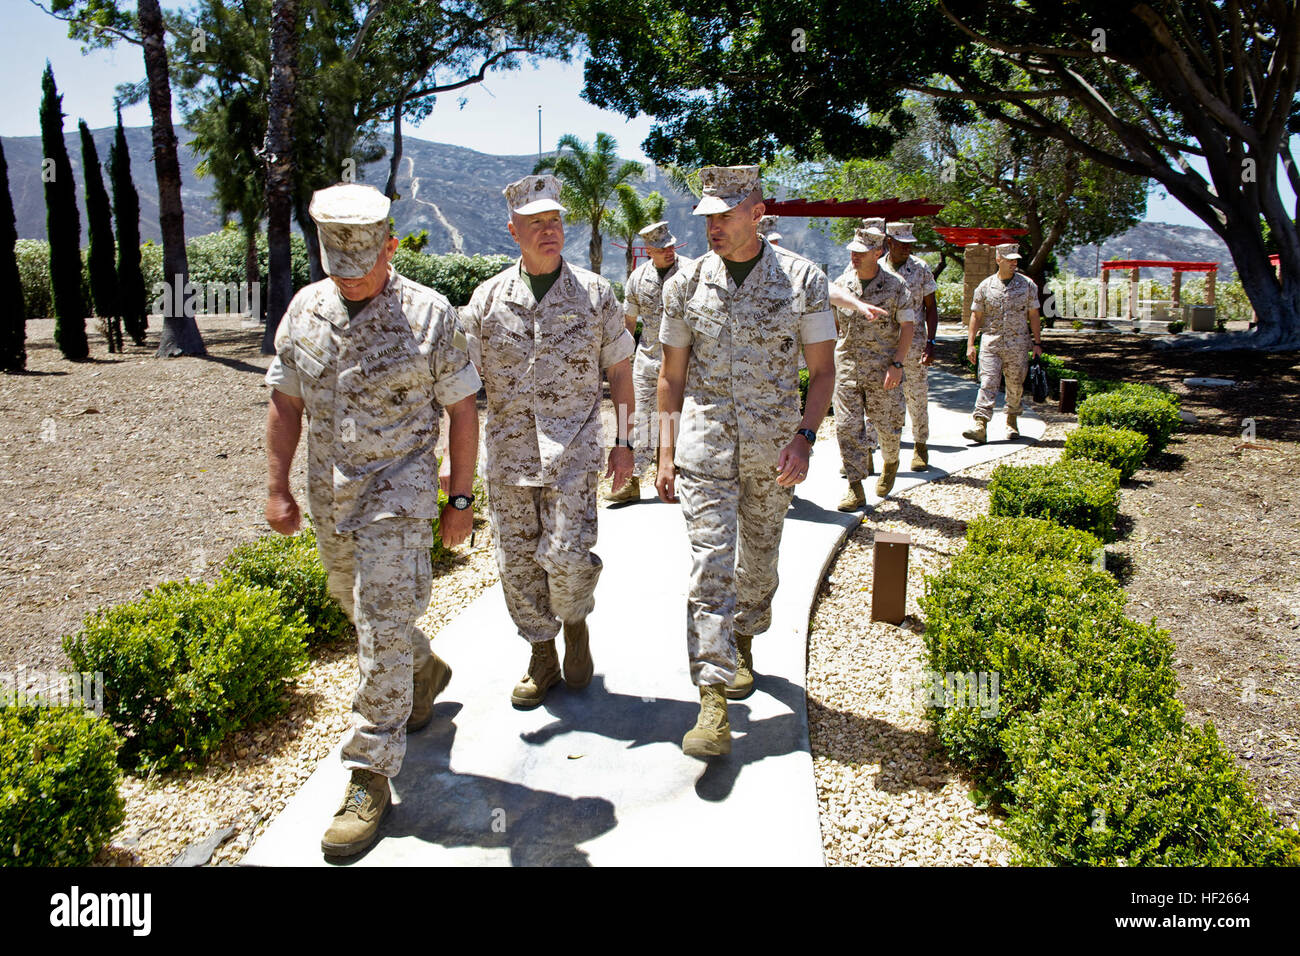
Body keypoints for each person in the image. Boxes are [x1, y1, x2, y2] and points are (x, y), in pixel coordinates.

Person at [264, 183, 482, 858]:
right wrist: (277, 487)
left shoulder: (429, 314)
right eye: (339, 269)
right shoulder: (305, 310)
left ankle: (369, 774)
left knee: (381, 617)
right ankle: (420, 671)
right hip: (332, 497)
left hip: (401, 494)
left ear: (391, 247)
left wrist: (461, 502)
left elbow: (464, 411)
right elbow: (285, 402)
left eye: (365, 266)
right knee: (361, 612)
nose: (352, 281)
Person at [657, 165, 837, 757]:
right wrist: (663, 449)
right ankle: (711, 700)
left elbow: (822, 371)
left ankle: (745, 637)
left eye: (725, 215)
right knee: (710, 564)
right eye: (707, 216)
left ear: (756, 212)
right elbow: (671, 375)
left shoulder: (804, 280)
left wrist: (805, 437)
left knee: (758, 562)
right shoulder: (683, 286)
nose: (714, 226)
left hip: (774, 451)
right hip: (705, 448)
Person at [461, 174, 636, 709]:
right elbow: (461, 384)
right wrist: (454, 469)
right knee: (516, 562)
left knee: (566, 555)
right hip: (510, 457)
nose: (549, 231)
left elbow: (621, 370)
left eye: (555, 221)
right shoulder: (488, 299)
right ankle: (542, 654)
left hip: (575, 451)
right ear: (513, 230)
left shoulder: (596, 293)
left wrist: (626, 440)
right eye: (535, 224)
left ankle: (576, 621)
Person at [607, 220, 692, 503]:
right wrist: (621, 357)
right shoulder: (638, 278)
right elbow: (628, 322)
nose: (668, 251)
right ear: (648, 250)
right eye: (660, 248)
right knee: (637, 418)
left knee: (684, 419)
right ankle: (631, 480)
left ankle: (683, 476)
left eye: (670, 245)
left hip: (683, 360)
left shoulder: (691, 273)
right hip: (647, 358)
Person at [831, 226, 914, 511]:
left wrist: (898, 364)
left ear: (878, 253)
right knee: (846, 428)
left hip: (883, 370)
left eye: (861, 252)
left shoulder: (896, 286)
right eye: (853, 250)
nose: (854, 255)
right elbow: (836, 325)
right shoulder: (841, 284)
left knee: (888, 426)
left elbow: (907, 326)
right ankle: (855, 487)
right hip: (847, 369)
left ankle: (891, 461)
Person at [962, 242, 1043, 443]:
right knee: (988, 382)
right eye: (1009, 260)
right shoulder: (985, 286)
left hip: (1018, 344)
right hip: (991, 343)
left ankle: (1012, 419)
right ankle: (980, 424)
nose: (1014, 263)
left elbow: (1034, 315)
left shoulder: (1027, 285)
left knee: (1015, 385)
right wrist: (970, 344)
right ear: (998, 259)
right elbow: (976, 316)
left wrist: (1037, 343)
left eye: (1016, 260)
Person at [883, 222, 939, 470]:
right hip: (884, 345)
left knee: (916, 396)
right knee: (882, 397)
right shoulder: (877, 267)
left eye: (909, 244)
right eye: (901, 243)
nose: (906, 248)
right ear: (889, 242)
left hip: (914, 345)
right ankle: (875, 449)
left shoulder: (921, 268)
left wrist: (931, 343)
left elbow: (931, 308)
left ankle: (920, 445)